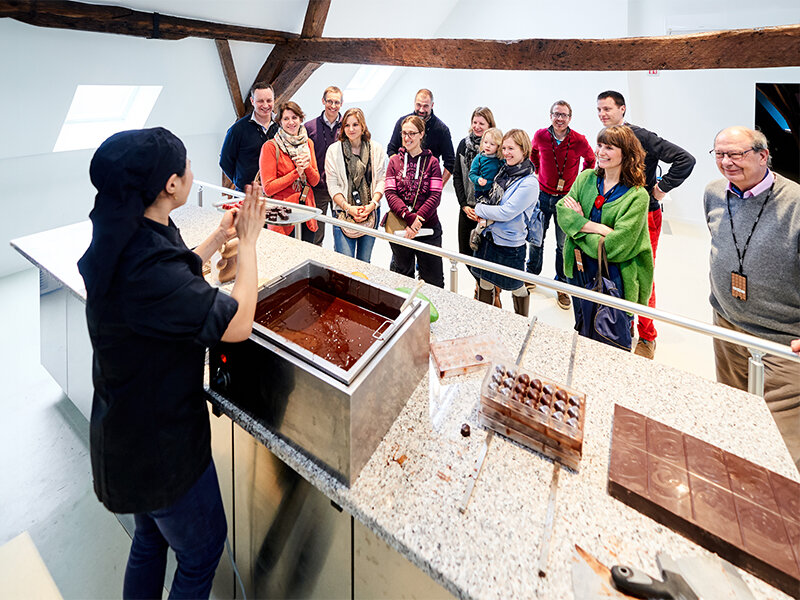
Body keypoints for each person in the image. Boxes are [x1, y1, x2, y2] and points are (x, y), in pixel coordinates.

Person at [77, 127, 267, 598]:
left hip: (124, 432)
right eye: (185, 165)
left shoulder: (126, 232)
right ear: (171, 186)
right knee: (201, 552)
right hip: (162, 450)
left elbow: (174, 269)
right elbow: (239, 323)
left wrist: (219, 236)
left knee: (149, 539)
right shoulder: (147, 270)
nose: (190, 171)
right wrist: (250, 242)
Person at [704, 126, 800, 468]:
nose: (727, 162)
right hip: (727, 326)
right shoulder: (714, 193)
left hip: (783, 341)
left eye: (736, 154)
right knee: (734, 413)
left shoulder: (796, 203)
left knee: (783, 443)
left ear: (763, 155)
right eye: (719, 154)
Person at [596, 90, 696, 359]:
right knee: (615, 271)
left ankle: (648, 335)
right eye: (599, 110)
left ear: (623, 109)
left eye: (608, 109)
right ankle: (620, 327)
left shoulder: (642, 136)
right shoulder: (607, 140)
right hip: (616, 213)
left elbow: (685, 159)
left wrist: (660, 189)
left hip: (645, 215)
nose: (603, 114)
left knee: (642, 274)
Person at [557, 125, 653, 349]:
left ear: (627, 154)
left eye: (609, 147)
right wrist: (596, 228)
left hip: (615, 279)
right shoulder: (586, 178)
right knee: (583, 330)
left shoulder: (637, 196)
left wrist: (578, 229)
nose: (600, 152)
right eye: (599, 145)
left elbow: (616, 246)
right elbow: (563, 211)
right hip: (580, 270)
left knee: (609, 341)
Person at [529, 100, 595, 310]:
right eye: (556, 114)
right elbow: (532, 154)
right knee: (536, 238)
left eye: (564, 115)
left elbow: (591, 160)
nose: (560, 118)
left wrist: (580, 182)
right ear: (551, 116)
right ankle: (530, 275)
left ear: (570, 118)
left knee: (562, 245)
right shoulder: (540, 135)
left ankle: (562, 285)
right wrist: (538, 172)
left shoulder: (578, 140)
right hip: (542, 195)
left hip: (566, 199)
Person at [471, 129, 541, 317]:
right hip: (488, 239)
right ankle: (485, 318)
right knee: (484, 281)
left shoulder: (530, 183)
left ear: (524, 150)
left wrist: (478, 208)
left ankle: (521, 321)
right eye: (504, 148)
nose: (506, 152)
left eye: (511, 148)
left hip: (510, 246)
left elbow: (506, 212)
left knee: (516, 286)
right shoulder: (503, 172)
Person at [384, 115, 445, 288]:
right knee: (403, 277)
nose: (407, 137)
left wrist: (417, 221)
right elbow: (390, 193)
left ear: (421, 134)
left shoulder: (433, 163)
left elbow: (435, 196)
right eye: (404, 133)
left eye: (412, 133)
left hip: (428, 229)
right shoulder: (394, 161)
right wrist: (409, 217)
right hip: (401, 228)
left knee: (433, 282)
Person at [325, 107, 387, 262]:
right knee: (345, 263)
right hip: (343, 211)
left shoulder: (376, 149)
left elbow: (381, 180)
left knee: (364, 262)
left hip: (370, 210)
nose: (351, 129)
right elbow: (332, 185)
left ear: (363, 126)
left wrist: (372, 205)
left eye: (355, 124)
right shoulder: (334, 150)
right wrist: (348, 208)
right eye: (347, 125)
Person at [259, 101, 321, 240]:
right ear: (280, 122)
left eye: (294, 117)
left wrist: (307, 168)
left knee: (307, 256)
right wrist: (296, 173)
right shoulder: (270, 147)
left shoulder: (308, 143)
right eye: (286, 119)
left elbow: (315, 181)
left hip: (307, 210)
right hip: (282, 214)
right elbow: (268, 188)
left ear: (300, 119)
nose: (291, 122)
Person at [386, 89, 455, 185]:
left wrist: (438, 187)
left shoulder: (442, 130)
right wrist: (400, 170)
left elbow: (450, 162)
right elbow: (391, 149)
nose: (421, 110)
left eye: (426, 106)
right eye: (418, 105)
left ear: (432, 105)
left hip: (429, 183)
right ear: (414, 103)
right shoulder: (402, 123)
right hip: (403, 182)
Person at [453, 106, 496, 260]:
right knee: (465, 252)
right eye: (475, 122)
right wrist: (464, 205)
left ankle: (484, 285)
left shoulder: (496, 150)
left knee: (484, 255)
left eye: (482, 124)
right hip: (467, 208)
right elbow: (457, 176)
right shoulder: (463, 145)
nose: (477, 127)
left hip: (487, 210)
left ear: (490, 126)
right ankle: (481, 283)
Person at [219, 82, 279, 191]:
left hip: (275, 193)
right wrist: (241, 183)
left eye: (269, 100)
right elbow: (225, 161)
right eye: (260, 101)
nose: (265, 105)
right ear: (252, 101)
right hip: (246, 194)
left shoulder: (281, 126)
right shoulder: (237, 129)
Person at [305, 85, 343, 246]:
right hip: (318, 189)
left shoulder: (348, 127)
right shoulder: (309, 127)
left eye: (337, 102)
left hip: (341, 189)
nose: (333, 106)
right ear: (323, 101)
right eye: (329, 101)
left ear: (341, 104)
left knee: (342, 233)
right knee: (316, 233)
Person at [468, 127, 504, 242]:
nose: (487, 146)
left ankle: (484, 235)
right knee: (483, 218)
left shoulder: (499, 160)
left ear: (498, 146)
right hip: (481, 192)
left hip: (494, 193)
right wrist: (478, 179)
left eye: (492, 144)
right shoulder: (479, 158)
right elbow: (471, 174)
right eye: (485, 142)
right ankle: (476, 234)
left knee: (493, 218)